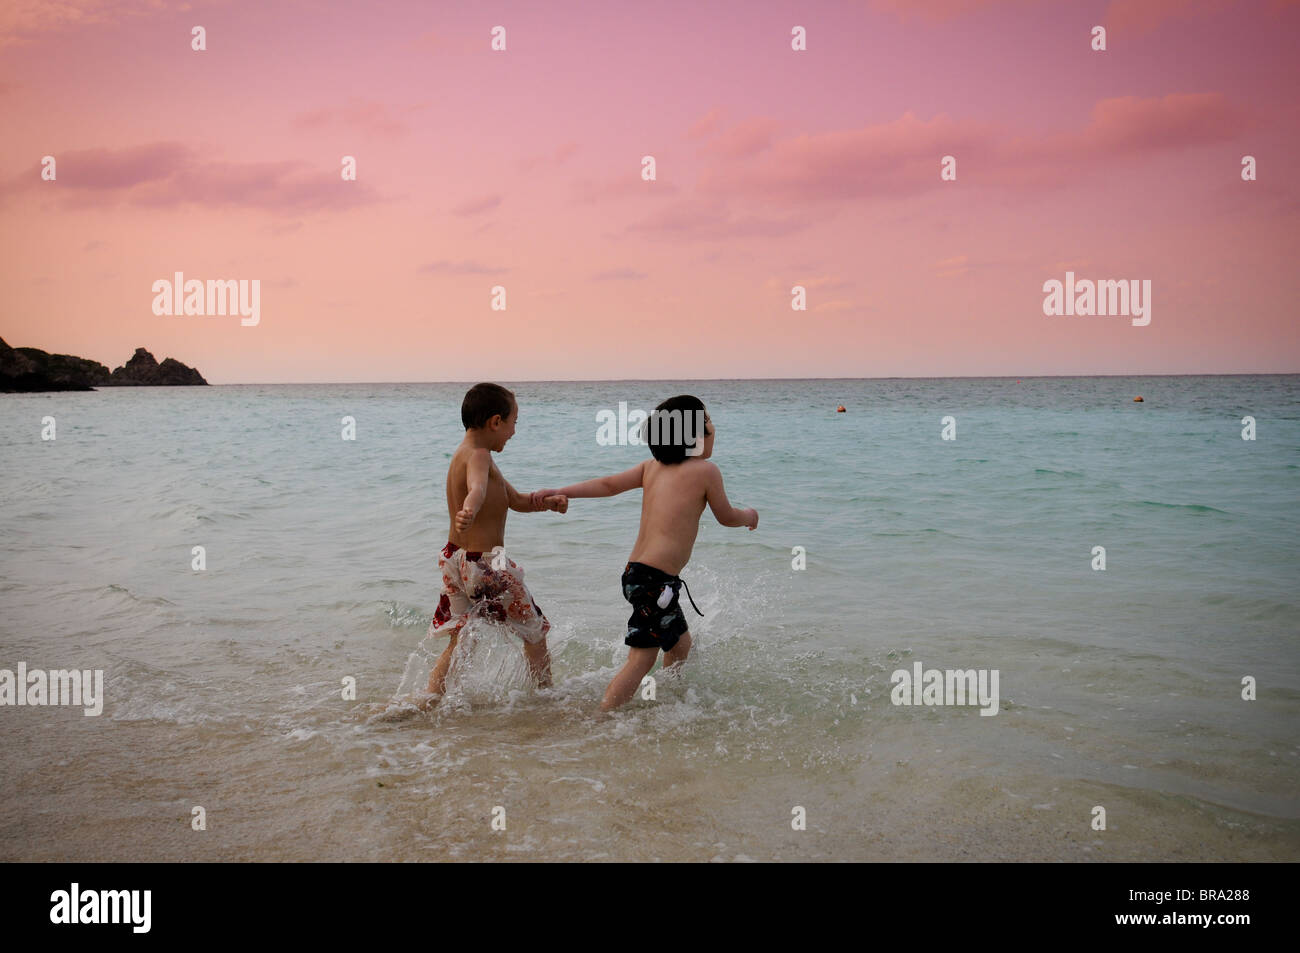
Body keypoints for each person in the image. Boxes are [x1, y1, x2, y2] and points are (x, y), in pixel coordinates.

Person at [533, 395, 757, 712]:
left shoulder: (650, 468)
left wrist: (560, 490)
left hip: (638, 575)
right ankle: (602, 718)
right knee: (641, 657)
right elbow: (726, 516)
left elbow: (608, 485)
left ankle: (667, 699)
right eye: (707, 421)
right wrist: (749, 516)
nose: (713, 427)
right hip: (656, 582)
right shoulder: (706, 471)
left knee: (680, 644)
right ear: (692, 435)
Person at [417, 383, 567, 709]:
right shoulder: (480, 456)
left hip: (455, 561)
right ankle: (546, 696)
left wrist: (548, 503)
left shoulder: (466, 453)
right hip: (488, 562)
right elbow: (477, 489)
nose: (514, 432)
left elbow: (517, 501)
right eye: (514, 422)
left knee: (460, 638)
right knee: (535, 631)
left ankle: (429, 698)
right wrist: (470, 507)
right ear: (495, 422)